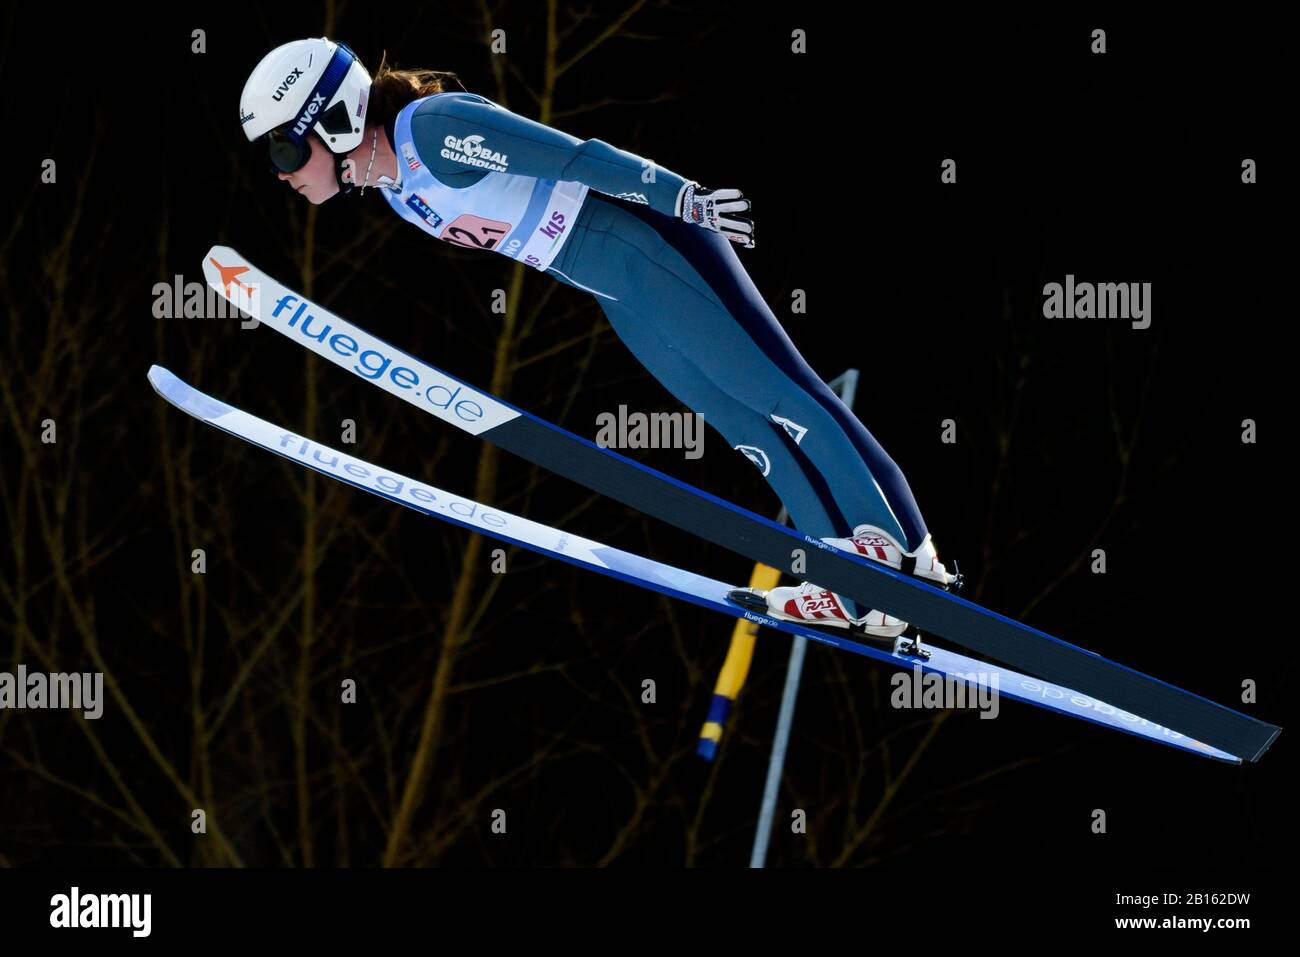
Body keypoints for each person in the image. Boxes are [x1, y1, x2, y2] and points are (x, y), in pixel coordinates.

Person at [239, 37, 959, 636]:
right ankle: (847, 583)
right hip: (612, 284)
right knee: (741, 422)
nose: (283, 175)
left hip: (652, 243)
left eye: (281, 151)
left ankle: (902, 549)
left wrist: (681, 195)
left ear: (328, 118)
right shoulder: (397, 190)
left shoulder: (430, 129)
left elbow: (573, 155)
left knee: (783, 393)